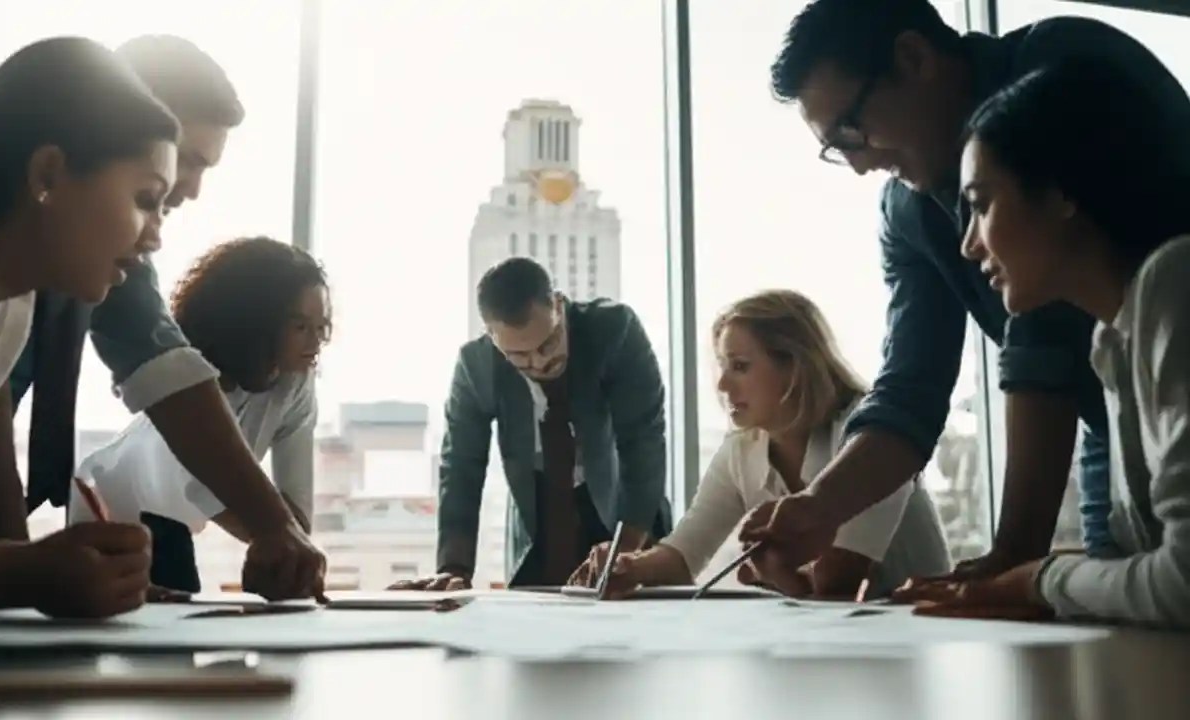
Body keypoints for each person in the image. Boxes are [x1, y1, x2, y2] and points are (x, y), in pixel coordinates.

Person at [740, 0, 1190, 581]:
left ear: (912, 58)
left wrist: (1016, 562)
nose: (857, 165)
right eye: (836, 149)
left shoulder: (1057, 72)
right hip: (1111, 411)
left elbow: (1045, 334)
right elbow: (912, 386)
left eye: (851, 129)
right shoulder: (907, 209)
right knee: (1128, 603)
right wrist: (819, 506)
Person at [0, 35, 328, 600]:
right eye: (185, 161)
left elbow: (166, 368)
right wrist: (20, 579)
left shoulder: (86, 251)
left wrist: (19, 581)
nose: (191, 190)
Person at [896, 59, 1190, 628]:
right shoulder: (1113, 337)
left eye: (981, 204)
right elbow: (1140, 566)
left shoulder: (1174, 283)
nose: (968, 245)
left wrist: (1039, 579)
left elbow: (1183, 581)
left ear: (1060, 192)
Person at [0, 36, 177, 620]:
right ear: (48, 174)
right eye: (145, 198)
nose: (155, 236)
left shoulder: (6, 315)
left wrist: (55, 575)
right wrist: (19, 573)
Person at [568, 290, 950, 599]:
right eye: (722, 366)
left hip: (917, 633)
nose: (722, 385)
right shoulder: (742, 449)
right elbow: (682, 556)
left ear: (794, 367)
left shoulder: (869, 439)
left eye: (740, 366)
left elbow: (838, 584)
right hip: (837, 640)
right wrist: (627, 566)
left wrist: (776, 574)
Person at [392, 257, 670, 590]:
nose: (539, 362)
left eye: (548, 343)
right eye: (519, 356)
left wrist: (627, 548)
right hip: (540, 524)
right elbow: (461, 468)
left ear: (558, 305)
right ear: (492, 337)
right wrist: (454, 568)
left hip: (625, 511)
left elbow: (642, 439)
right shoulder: (477, 365)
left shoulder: (614, 329)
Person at [68, 237, 329, 591]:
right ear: (258, 323)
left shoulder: (296, 387)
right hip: (112, 512)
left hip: (172, 522)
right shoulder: (193, 390)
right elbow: (203, 489)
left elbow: (295, 520)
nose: (315, 342)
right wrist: (276, 537)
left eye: (321, 327)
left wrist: (287, 546)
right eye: (300, 326)